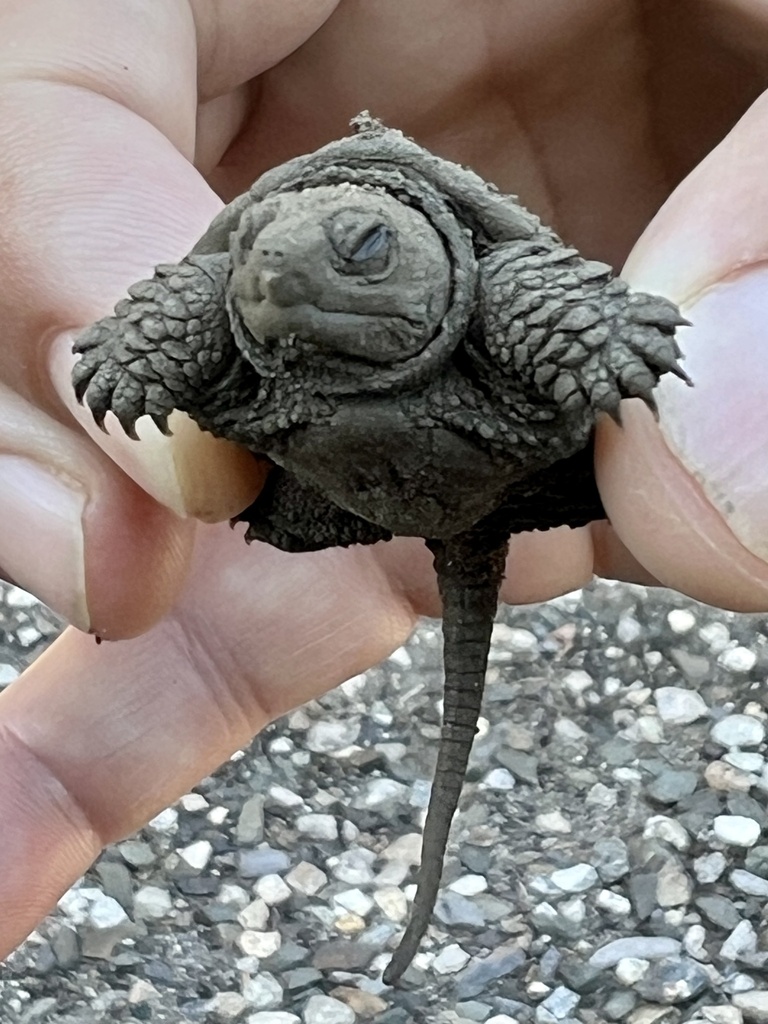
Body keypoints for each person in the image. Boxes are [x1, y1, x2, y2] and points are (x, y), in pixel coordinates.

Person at [1, 0, 768, 958]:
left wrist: (649, 336)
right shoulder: (228, 290)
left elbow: (555, 301)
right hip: (331, 483)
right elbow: (162, 326)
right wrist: (132, 351)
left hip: (511, 450)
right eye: (258, 276)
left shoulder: (500, 286)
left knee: (566, 322)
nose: (282, 282)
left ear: (435, 251)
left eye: (360, 257)